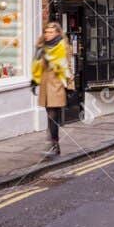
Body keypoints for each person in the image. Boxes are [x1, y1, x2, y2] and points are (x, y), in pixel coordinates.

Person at [31, 20, 72, 160]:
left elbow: (64, 66)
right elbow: (37, 65)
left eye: (51, 32)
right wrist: (34, 80)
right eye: (46, 32)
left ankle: (54, 144)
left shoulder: (63, 46)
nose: (47, 34)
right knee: (50, 114)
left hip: (57, 84)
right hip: (45, 83)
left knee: (53, 115)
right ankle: (55, 144)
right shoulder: (41, 47)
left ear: (57, 33)